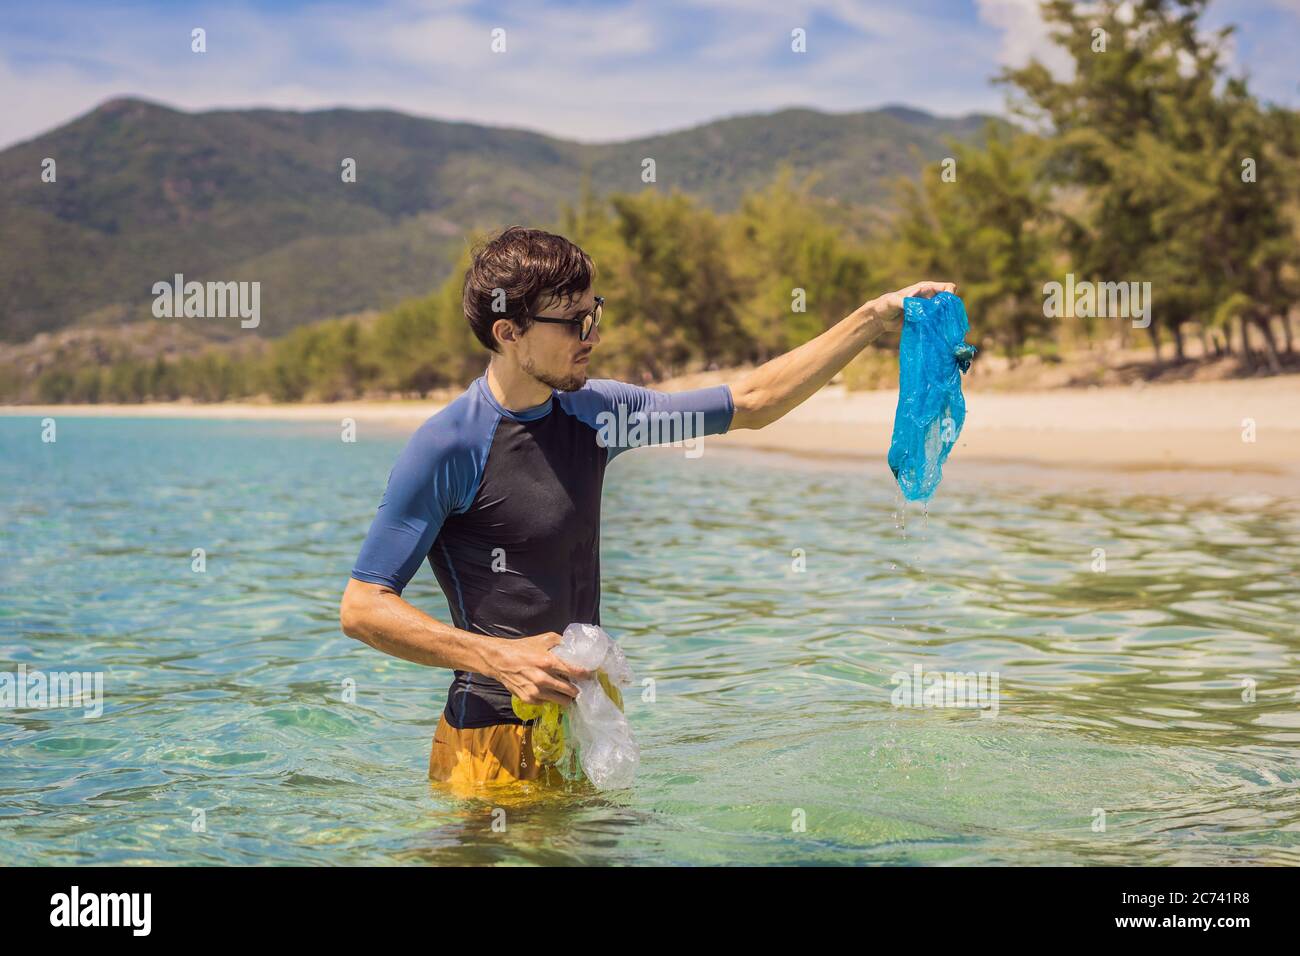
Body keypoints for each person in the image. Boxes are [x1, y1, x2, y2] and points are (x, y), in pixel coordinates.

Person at [339, 225, 954, 787]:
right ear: (508, 332)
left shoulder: (596, 413)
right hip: (491, 747)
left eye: (594, 313)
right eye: (574, 322)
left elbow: (754, 401)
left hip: (590, 726)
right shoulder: (449, 445)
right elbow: (364, 607)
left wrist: (874, 318)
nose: (593, 336)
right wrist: (496, 657)